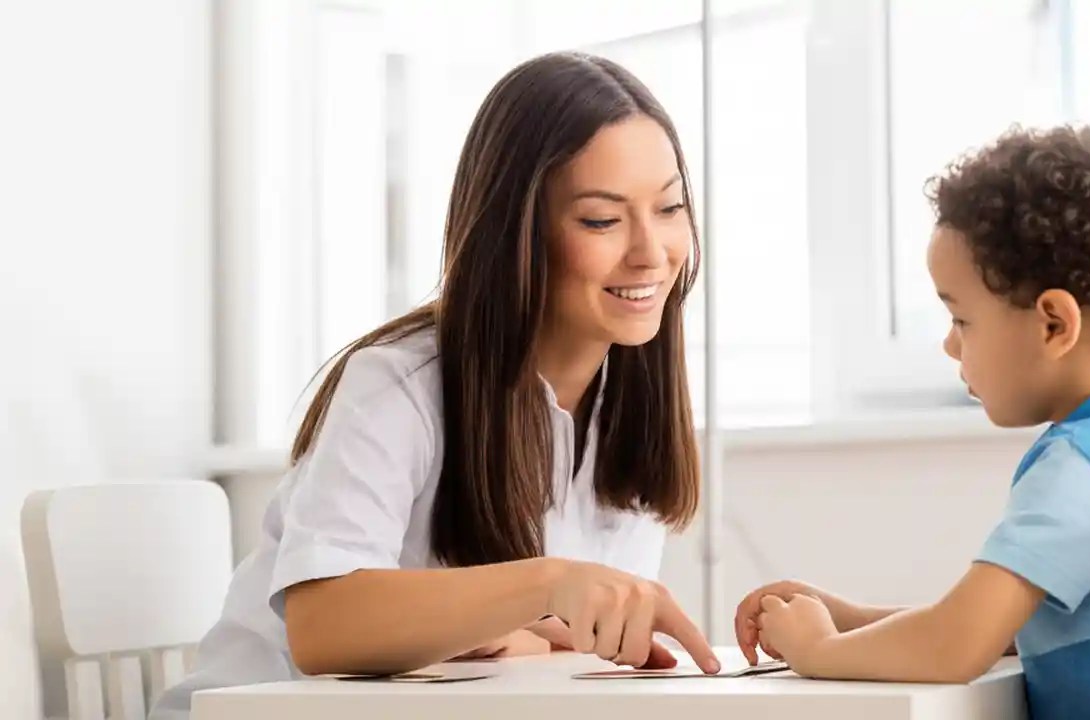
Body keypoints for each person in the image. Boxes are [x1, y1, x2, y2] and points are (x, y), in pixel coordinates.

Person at [152, 50, 720, 720]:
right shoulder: (398, 384)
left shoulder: (628, 406)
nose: (652, 252)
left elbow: (556, 651)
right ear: (518, 233)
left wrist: (509, 625)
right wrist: (546, 585)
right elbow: (323, 626)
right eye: (601, 219)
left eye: (670, 207)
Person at [735, 126, 1090, 720]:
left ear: (1054, 325)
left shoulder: (1085, 468)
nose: (949, 345)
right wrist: (854, 620)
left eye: (962, 320)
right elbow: (1009, 629)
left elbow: (957, 645)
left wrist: (819, 649)